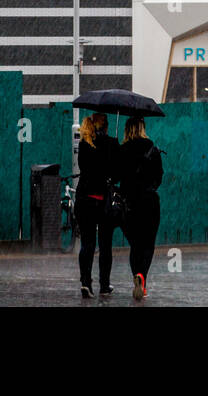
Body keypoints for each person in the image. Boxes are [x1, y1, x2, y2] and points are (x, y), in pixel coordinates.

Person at [75, 113, 120, 297]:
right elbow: (115, 174)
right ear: (106, 125)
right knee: (105, 245)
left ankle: (86, 282)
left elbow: (85, 169)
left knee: (87, 244)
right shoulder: (110, 144)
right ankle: (104, 284)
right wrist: (114, 148)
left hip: (84, 200)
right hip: (103, 203)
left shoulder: (84, 144)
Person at [119, 117, 163, 301]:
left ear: (127, 129)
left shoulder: (122, 150)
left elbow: (117, 176)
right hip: (149, 202)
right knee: (148, 244)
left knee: (135, 244)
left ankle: (136, 275)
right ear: (143, 128)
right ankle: (142, 278)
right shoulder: (152, 148)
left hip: (129, 203)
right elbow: (159, 176)